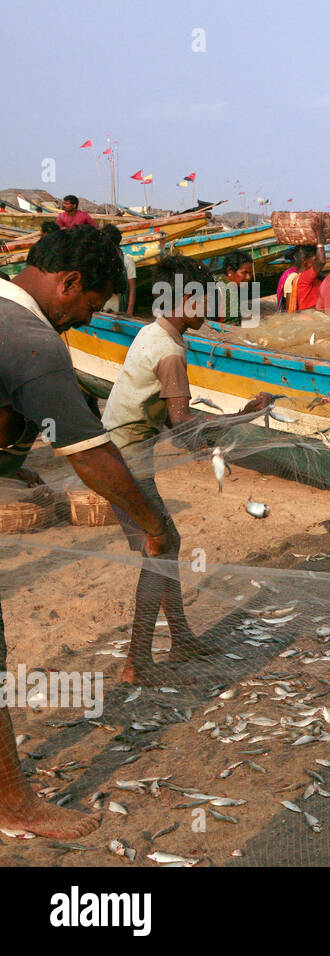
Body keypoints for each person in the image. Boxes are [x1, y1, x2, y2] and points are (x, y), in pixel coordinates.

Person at [0, 225, 177, 837]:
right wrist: (154, 523)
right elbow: (87, 453)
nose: (83, 319)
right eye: (90, 306)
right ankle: (15, 808)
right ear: (69, 282)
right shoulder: (33, 342)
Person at [101, 255, 272, 686]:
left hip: (118, 456)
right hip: (125, 462)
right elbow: (182, 429)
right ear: (189, 298)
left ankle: (180, 639)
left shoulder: (152, 332)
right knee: (160, 548)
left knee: (162, 546)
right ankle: (137, 661)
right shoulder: (170, 353)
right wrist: (241, 418)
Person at [100, 224, 135, 315]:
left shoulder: (127, 261)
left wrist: (129, 310)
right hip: (101, 307)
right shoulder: (101, 259)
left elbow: (132, 287)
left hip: (119, 307)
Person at [284, 242, 327, 313]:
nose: (316, 263)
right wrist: (320, 237)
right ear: (305, 263)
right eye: (315, 260)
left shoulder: (315, 278)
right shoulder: (303, 278)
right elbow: (321, 262)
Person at [219, 250, 254, 324]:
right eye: (244, 273)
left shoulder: (219, 281)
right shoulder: (228, 291)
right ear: (230, 271)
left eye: (250, 273)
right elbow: (232, 324)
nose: (248, 277)